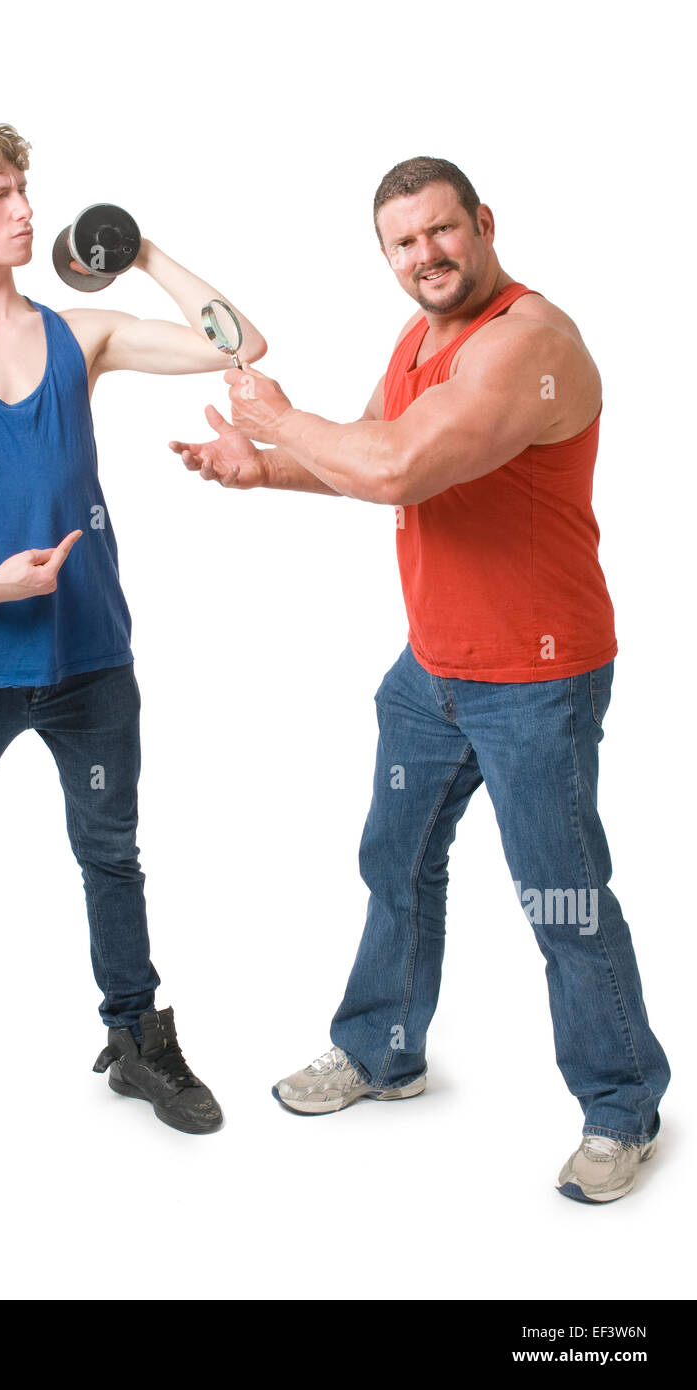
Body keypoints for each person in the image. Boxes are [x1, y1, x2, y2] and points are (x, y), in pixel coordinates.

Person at [170, 155, 670, 1200]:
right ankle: (383, 1050)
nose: (425, 256)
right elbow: (363, 452)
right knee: (392, 864)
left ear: (482, 224)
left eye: (441, 232)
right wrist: (265, 467)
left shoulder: (528, 348)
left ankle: (621, 1106)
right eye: (403, 243)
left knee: (563, 899)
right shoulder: (417, 337)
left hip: (536, 679)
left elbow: (398, 467)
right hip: (431, 670)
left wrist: (273, 421)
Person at [0, 121, 267, 1134]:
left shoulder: (82, 332)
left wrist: (142, 246)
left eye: (25, 189)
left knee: (110, 853)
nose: (27, 210)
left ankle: (134, 1037)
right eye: (0, 195)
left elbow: (238, 345)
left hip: (89, 660)